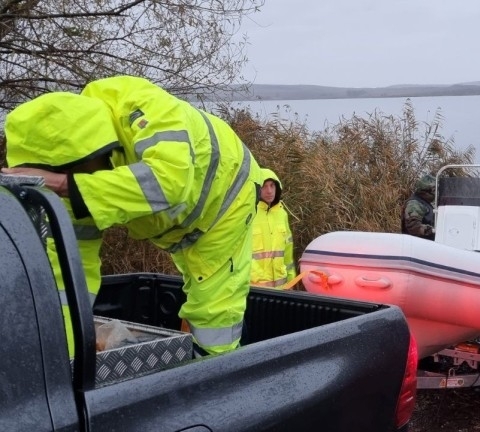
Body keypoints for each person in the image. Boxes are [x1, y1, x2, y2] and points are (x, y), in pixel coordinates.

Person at [1, 75, 261, 357]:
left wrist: (65, 184)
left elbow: (169, 183)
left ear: (90, 151)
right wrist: (62, 360)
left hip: (227, 201)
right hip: (178, 226)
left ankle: (220, 380)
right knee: (198, 296)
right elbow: (66, 279)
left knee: (214, 312)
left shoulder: (143, 106)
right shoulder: (76, 171)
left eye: (70, 177)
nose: (75, 182)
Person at [250, 168, 296, 289]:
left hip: (282, 289)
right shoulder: (248, 213)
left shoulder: (282, 214)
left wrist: (291, 282)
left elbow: (288, 252)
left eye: (272, 186)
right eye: (264, 186)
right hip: (254, 289)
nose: (269, 191)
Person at [401, 174, 436, 240]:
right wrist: (433, 230)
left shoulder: (424, 202)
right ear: (428, 191)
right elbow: (413, 227)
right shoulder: (415, 204)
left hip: (424, 244)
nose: (436, 193)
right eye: (434, 190)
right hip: (417, 245)